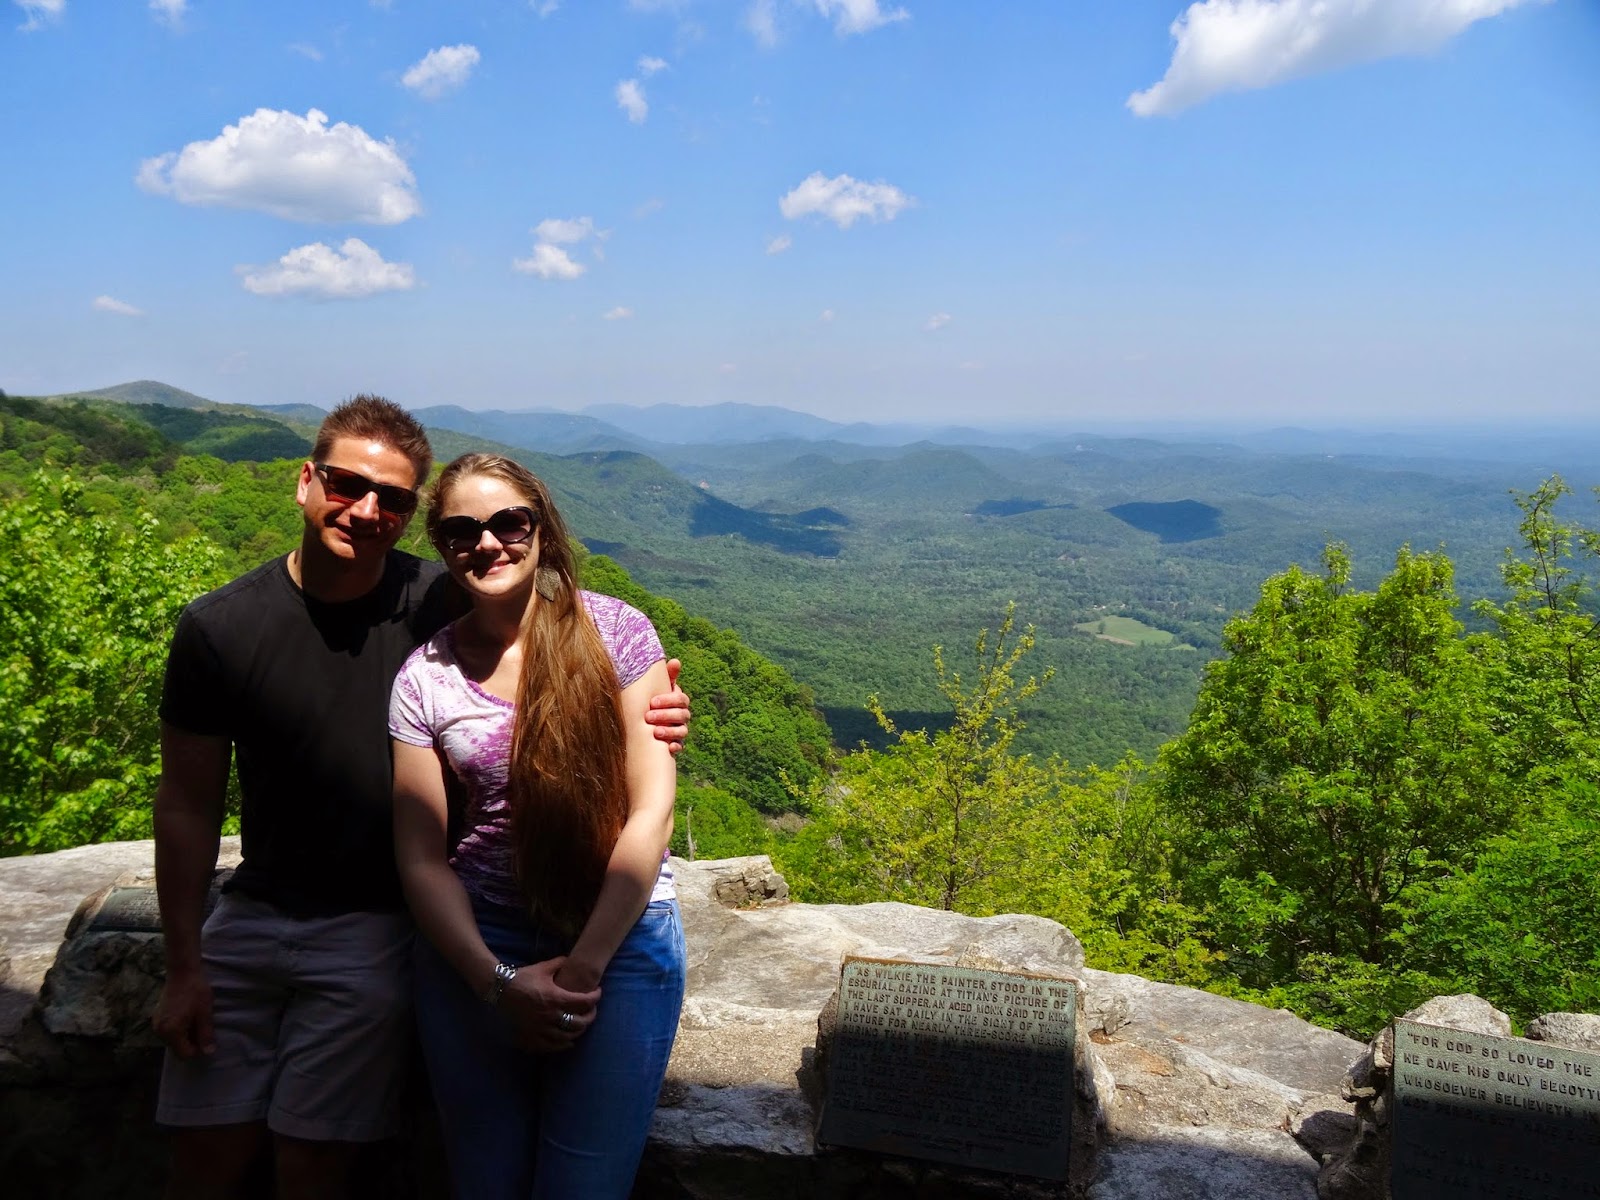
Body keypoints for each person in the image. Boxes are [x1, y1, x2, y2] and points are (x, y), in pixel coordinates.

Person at [150, 398, 690, 1200]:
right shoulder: (227, 628)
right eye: (344, 484)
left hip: (435, 931)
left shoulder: (470, 598)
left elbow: (605, 707)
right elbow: (189, 805)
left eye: (394, 499)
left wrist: (659, 703)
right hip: (310, 915)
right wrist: (184, 961)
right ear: (305, 481)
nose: (366, 510)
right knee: (210, 1152)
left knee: (329, 1164)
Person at [389, 452, 686, 1200]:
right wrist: (498, 984)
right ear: (442, 545)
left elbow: (651, 809)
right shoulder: (425, 678)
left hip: (617, 943)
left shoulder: (616, 635)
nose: (486, 543)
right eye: (460, 530)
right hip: (478, 944)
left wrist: (580, 973)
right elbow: (422, 856)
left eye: (508, 523)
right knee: (484, 1181)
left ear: (541, 530)